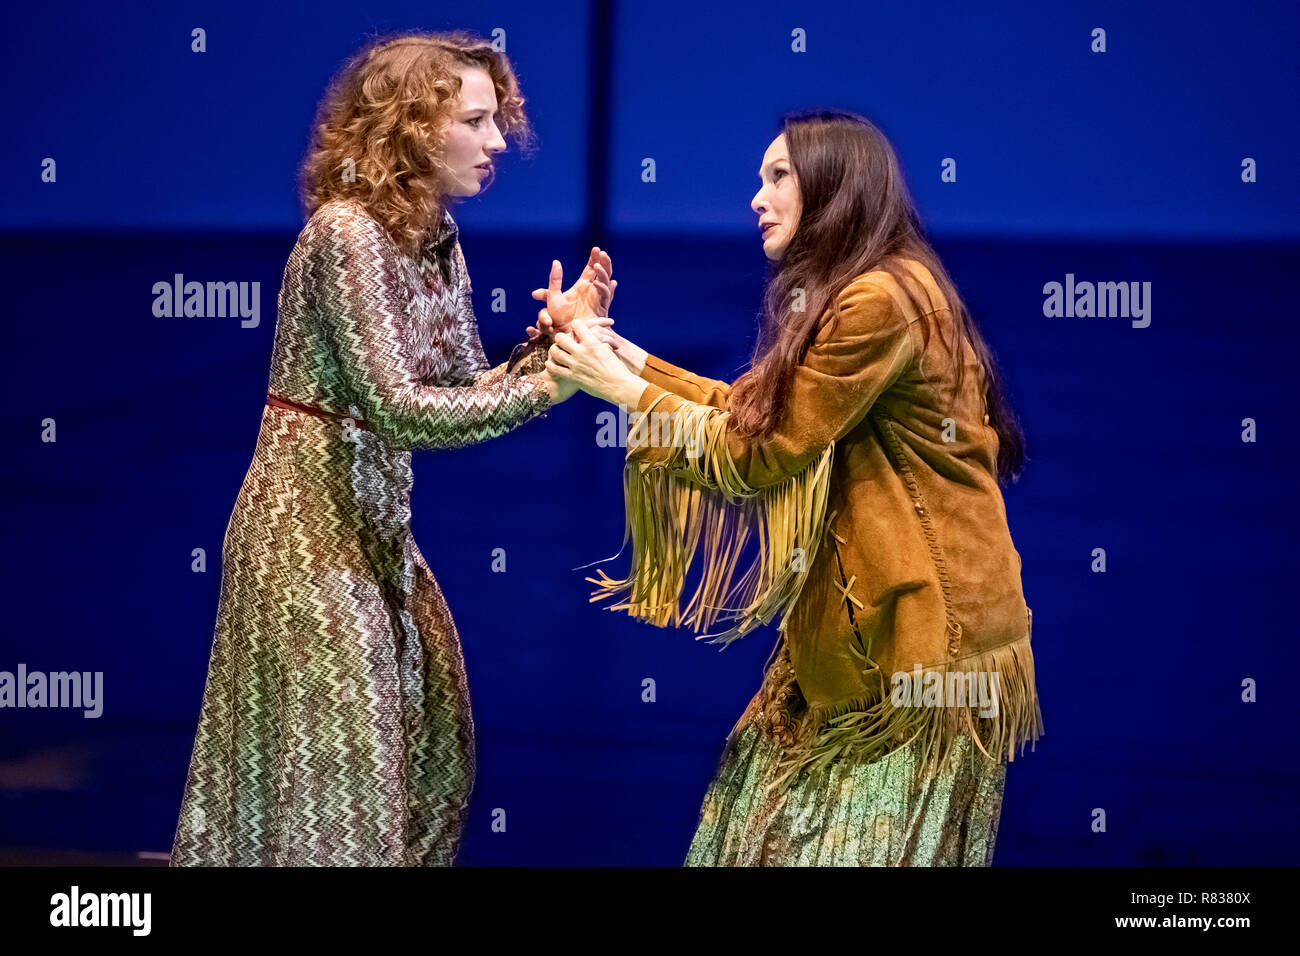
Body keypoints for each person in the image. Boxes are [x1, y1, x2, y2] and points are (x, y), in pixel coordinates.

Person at [545, 109, 1043, 866]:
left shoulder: (882, 301)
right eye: (760, 177)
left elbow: (759, 454)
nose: (757, 195)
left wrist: (622, 391)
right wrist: (609, 350)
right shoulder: (860, 292)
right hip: (861, 635)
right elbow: (749, 412)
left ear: (836, 188)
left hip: (917, 659)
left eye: (778, 176)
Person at [171, 30, 612, 866]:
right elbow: (400, 410)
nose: (496, 144)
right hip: (304, 543)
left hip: (374, 531)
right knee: (340, 792)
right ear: (412, 125)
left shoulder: (434, 235)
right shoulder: (349, 236)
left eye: (497, 122)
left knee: (436, 749)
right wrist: (556, 385)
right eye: (476, 123)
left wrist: (549, 347)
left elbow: (460, 381)